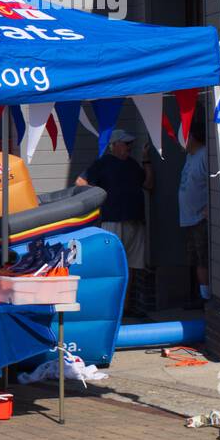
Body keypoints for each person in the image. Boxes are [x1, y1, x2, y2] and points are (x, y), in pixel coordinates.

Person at [77, 128, 154, 316]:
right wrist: (100, 196)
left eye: (131, 144)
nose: (129, 147)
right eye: (126, 143)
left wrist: (146, 160)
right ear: (115, 145)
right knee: (112, 264)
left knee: (132, 266)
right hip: (112, 220)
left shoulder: (133, 164)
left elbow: (149, 185)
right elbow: (80, 182)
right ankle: (110, 308)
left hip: (135, 220)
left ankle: (125, 308)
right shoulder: (103, 163)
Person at [178, 123, 211, 309]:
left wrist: (209, 205)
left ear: (192, 137)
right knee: (194, 259)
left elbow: (211, 180)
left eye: (184, 136)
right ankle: (200, 293)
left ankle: (205, 298)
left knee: (202, 258)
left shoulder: (204, 154)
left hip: (200, 217)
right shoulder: (190, 156)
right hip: (189, 217)